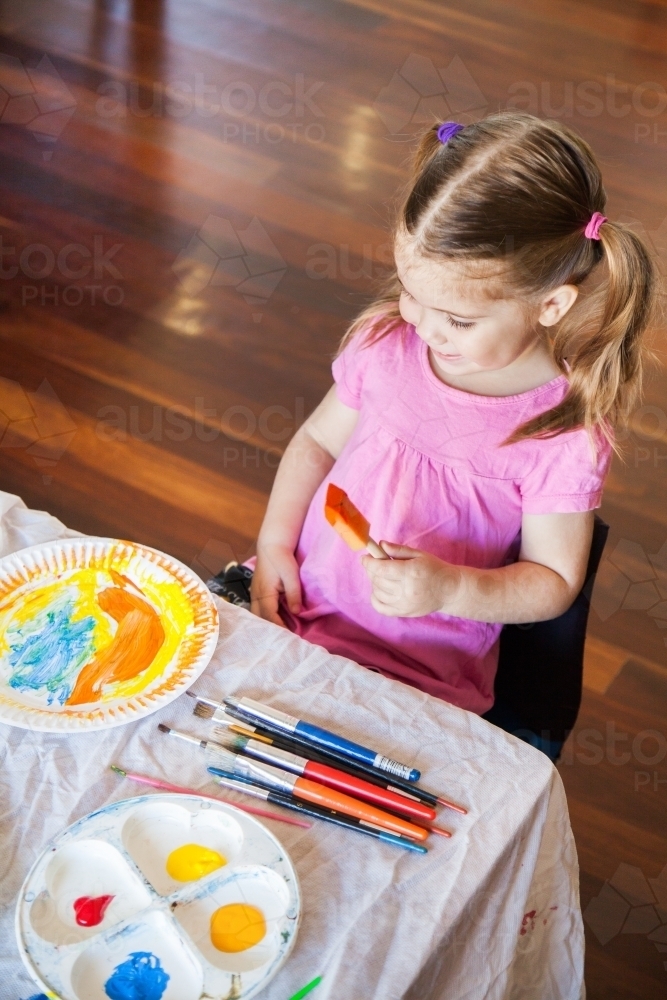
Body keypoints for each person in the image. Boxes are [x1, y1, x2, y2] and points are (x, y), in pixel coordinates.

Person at [245, 111, 658, 715]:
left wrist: (449, 586)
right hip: (300, 614)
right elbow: (316, 443)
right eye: (413, 293)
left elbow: (553, 581)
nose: (425, 327)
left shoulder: (562, 435)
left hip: (421, 679)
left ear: (551, 305)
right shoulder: (388, 345)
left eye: (459, 320)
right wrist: (275, 542)